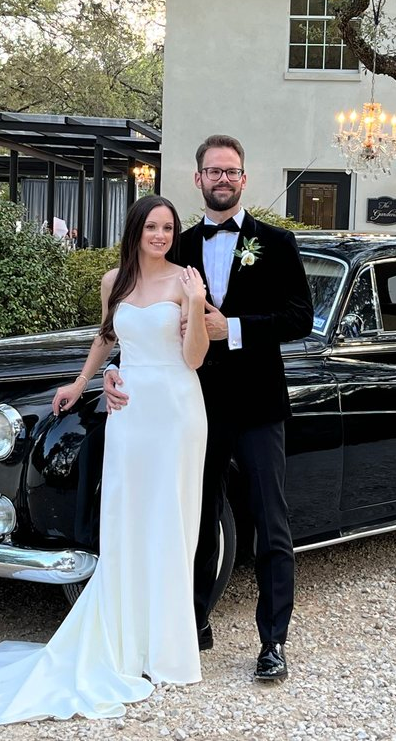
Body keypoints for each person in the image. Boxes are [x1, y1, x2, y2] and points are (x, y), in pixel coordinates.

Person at [0, 195, 210, 724]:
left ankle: (165, 647)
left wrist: (195, 303)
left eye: (168, 228)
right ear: (136, 230)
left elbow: (193, 359)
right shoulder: (113, 280)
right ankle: (123, 636)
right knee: (126, 520)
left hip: (178, 412)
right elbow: (108, 337)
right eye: (151, 227)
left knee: (173, 521)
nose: (160, 236)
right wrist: (83, 381)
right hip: (130, 412)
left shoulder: (186, 282)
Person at [105, 134, 313, 680]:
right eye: (213, 171)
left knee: (270, 521)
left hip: (260, 404)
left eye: (232, 171)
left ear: (244, 179)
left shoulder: (277, 242)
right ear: (198, 179)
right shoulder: (178, 246)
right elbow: (137, 317)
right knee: (193, 515)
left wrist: (235, 328)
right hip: (194, 406)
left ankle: (273, 641)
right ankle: (192, 623)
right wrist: (111, 372)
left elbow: (299, 319)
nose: (223, 179)